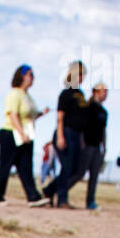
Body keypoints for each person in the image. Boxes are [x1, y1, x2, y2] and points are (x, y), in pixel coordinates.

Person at [0, 65, 50, 206]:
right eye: (29, 74)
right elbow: (13, 115)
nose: (32, 78)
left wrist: (42, 113)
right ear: (21, 76)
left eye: (33, 75)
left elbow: (30, 117)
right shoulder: (14, 94)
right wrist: (21, 133)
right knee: (6, 166)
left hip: (26, 136)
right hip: (11, 133)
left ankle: (33, 197)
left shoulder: (28, 97)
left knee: (26, 167)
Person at [41, 61, 88, 207]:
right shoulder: (66, 93)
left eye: (83, 74)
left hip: (76, 135)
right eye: (79, 74)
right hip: (65, 133)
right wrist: (60, 136)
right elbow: (60, 117)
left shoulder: (80, 94)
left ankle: (49, 190)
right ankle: (62, 200)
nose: (82, 77)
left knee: (74, 168)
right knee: (67, 167)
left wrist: (81, 138)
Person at [79, 84, 108, 209]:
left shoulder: (104, 112)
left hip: (97, 147)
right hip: (87, 146)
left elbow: (103, 131)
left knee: (94, 175)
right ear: (96, 92)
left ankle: (90, 201)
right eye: (103, 91)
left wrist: (104, 146)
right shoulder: (88, 107)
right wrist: (82, 142)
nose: (106, 93)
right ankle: (55, 191)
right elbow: (82, 126)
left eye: (107, 91)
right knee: (79, 173)